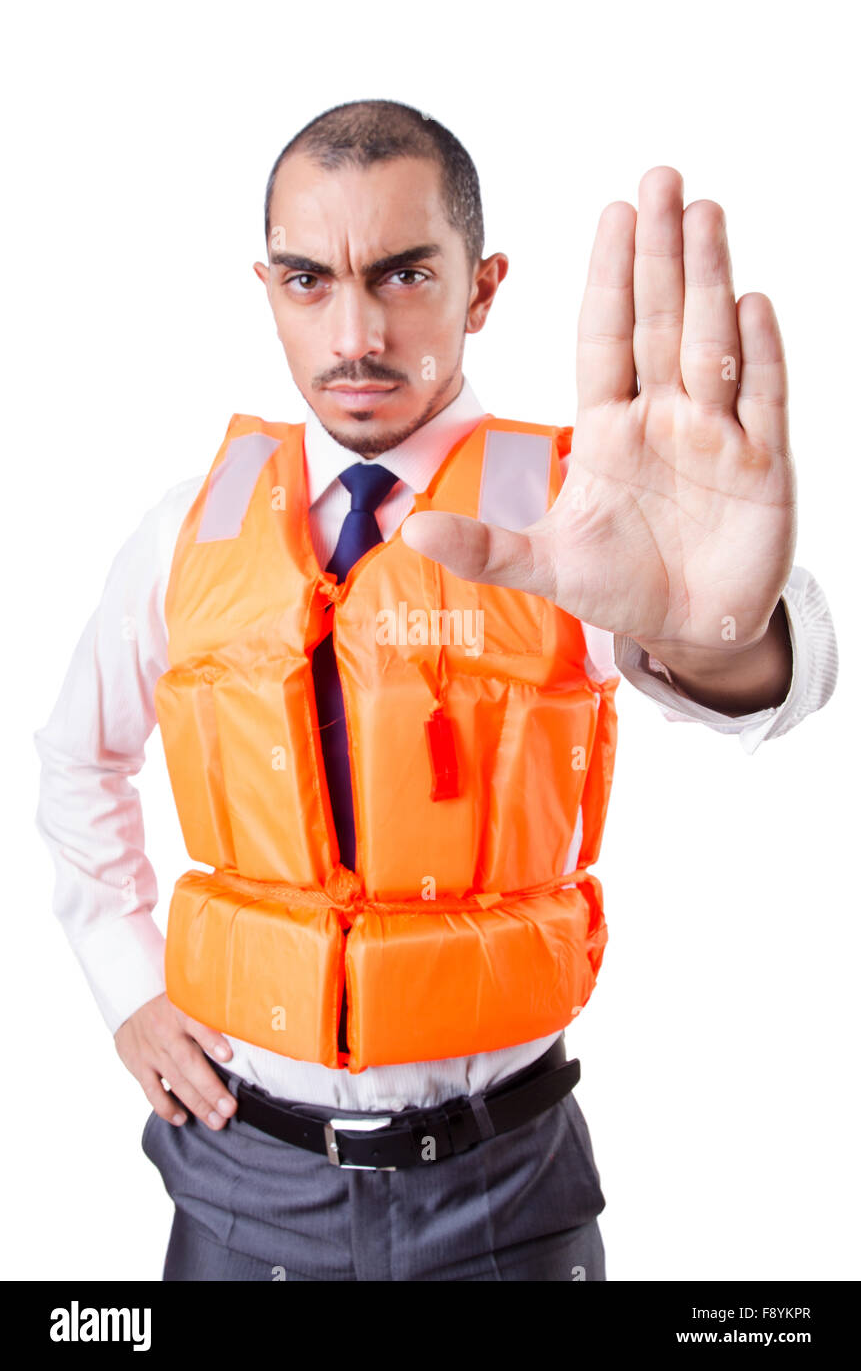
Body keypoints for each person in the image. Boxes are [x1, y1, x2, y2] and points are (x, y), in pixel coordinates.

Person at [33, 98, 838, 1282]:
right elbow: (75, 758)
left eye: (404, 274)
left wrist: (712, 622)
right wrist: (126, 984)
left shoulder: (583, 514)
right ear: (267, 289)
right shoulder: (183, 531)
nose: (355, 330)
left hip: (504, 1191)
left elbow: (779, 677)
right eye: (309, 281)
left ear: (484, 285)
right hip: (239, 1180)